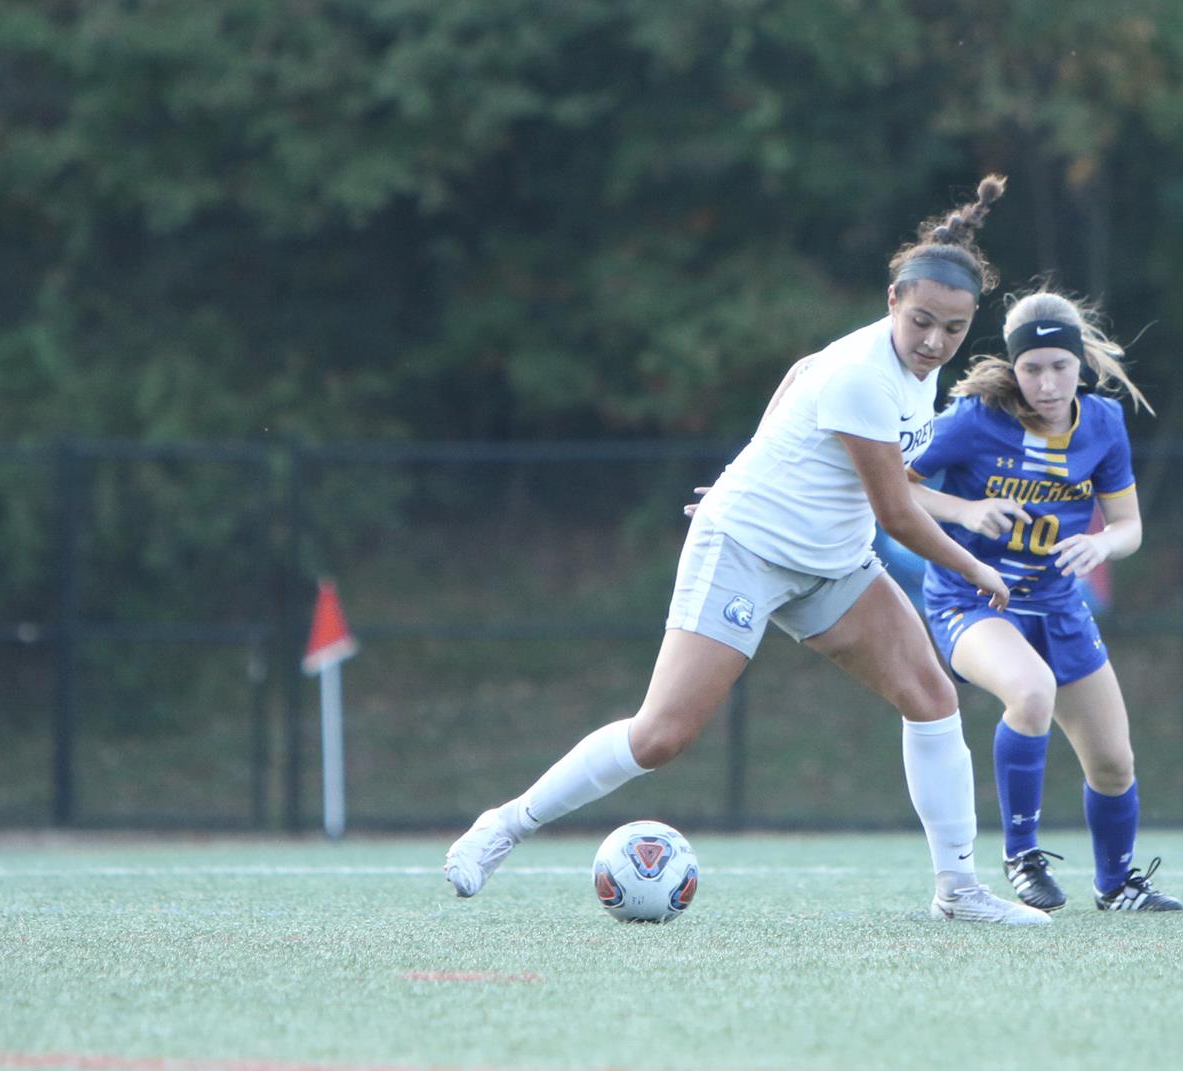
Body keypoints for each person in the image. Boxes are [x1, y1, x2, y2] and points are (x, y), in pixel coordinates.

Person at [444, 176, 1051, 924]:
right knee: (661, 736)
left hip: (831, 563)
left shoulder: (909, 372)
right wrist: (975, 566)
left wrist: (749, 464)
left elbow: (797, 375)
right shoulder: (862, 376)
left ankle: (958, 891)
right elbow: (896, 512)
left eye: (953, 329)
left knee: (931, 699)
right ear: (892, 299)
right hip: (748, 549)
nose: (934, 342)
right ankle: (504, 825)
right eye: (921, 321)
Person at [907, 288, 1182, 913]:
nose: (1048, 383)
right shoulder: (975, 419)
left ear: (1080, 363)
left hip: (1057, 605)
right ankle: (1022, 857)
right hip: (972, 598)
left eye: (1060, 366)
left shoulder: (1103, 423)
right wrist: (965, 510)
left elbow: (1129, 527)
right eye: (1032, 368)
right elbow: (894, 486)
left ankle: (1116, 885)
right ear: (1014, 367)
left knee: (1113, 763)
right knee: (1031, 693)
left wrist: (1102, 544)